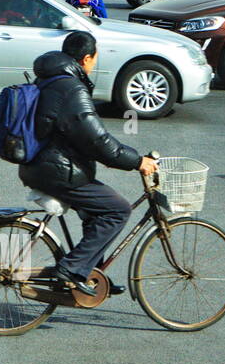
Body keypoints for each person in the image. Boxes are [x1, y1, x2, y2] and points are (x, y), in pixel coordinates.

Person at [19, 31, 159, 296]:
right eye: (95, 58)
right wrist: (137, 161)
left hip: (40, 165)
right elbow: (97, 140)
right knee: (117, 209)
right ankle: (71, 269)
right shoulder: (71, 88)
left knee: (97, 209)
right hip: (57, 171)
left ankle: (91, 272)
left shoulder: (48, 80)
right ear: (86, 58)